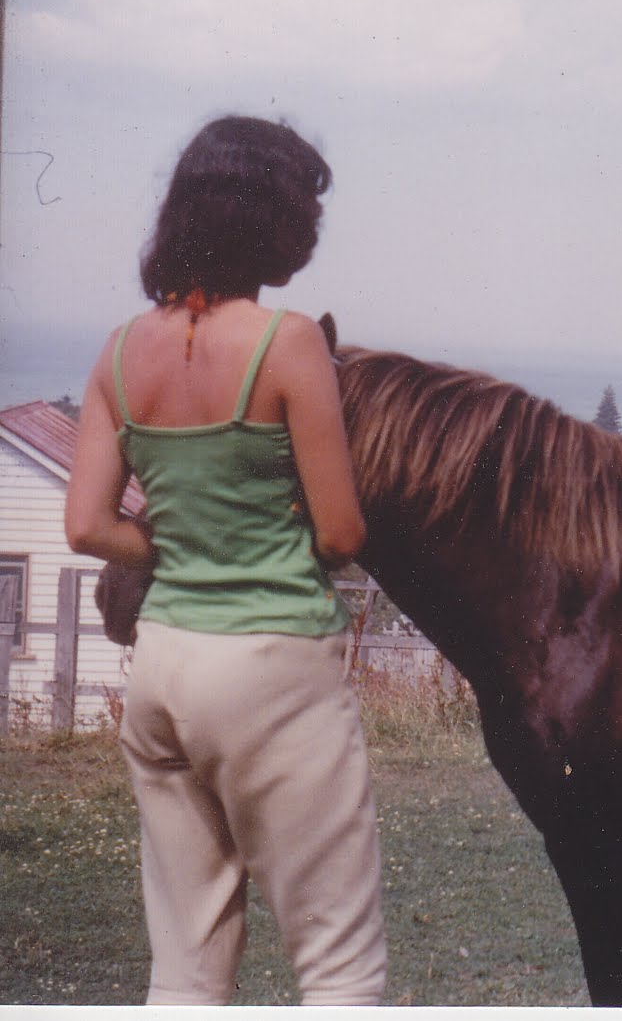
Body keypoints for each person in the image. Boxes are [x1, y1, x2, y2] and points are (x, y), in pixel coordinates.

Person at [64, 116, 386, 1005]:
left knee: (187, 967)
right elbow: (342, 534)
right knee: (338, 965)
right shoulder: (288, 343)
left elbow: (87, 526)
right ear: (269, 224)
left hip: (165, 666)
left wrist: (183, 549)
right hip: (274, 667)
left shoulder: (120, 352)